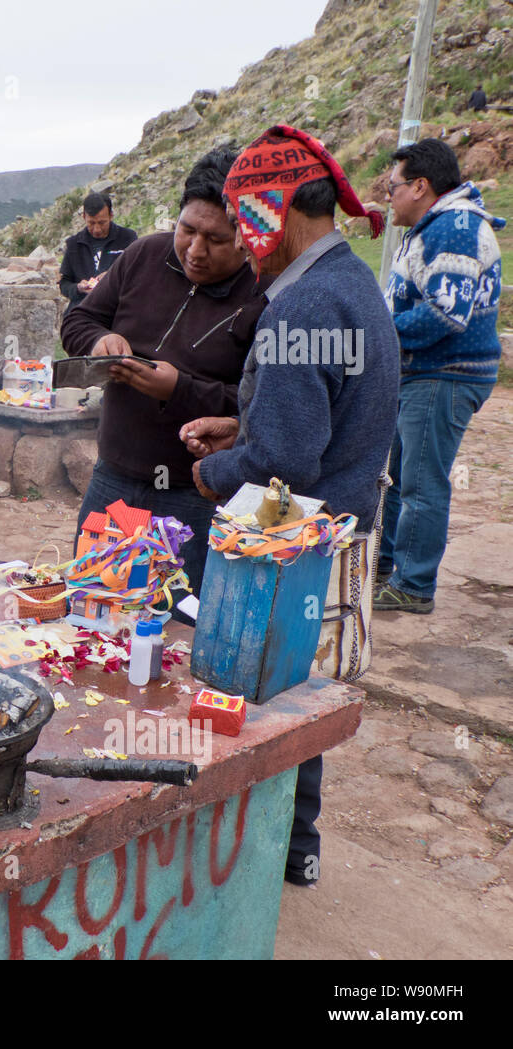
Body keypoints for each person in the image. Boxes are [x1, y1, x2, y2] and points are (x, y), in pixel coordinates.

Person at [180, 126, 399, 888]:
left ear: (275, 212)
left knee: (269, 704)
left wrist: (218, 470)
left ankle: (257, 861)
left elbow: (284, 461)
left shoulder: (301, 307)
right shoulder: (351, 280)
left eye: (244, 222)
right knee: (298, 704)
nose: (242, 244)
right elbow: (315, 416)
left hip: (298, 554)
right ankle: (296, 848)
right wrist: (247, 423)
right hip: (344, 526)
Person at [60, 148, 270, 598]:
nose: (195, 251)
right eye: (187, 230)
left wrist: (180, 389)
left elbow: (259, 404)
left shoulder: (261, 293)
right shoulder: (145, 255)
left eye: (214, 239)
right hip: (114, 479)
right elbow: (77, 322)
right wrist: (99, 342)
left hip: (195, 495)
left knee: (174, 623)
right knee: (92, 606)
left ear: (244, 236)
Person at [375, 138, 504, 615]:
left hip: (442, 373)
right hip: (423, 374)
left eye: (393, 187)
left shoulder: (454, 227)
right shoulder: (440, 225)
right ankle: (388, 569)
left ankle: (412, 583)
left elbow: (446, 313)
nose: (388, 196)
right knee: (396, 476)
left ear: (421, 186)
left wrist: (378, 336)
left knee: (421, 483)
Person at [59, 191, 138, 307]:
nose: (97, 229)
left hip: (119, 308)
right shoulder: (73, 245)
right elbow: (64, 284)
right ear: (84, 217)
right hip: (82, 308)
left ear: (111, 215)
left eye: (102, 223)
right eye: (91, 223)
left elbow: (138, 273)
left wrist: (113, 275)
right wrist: (78, 288)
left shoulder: (128, 238)